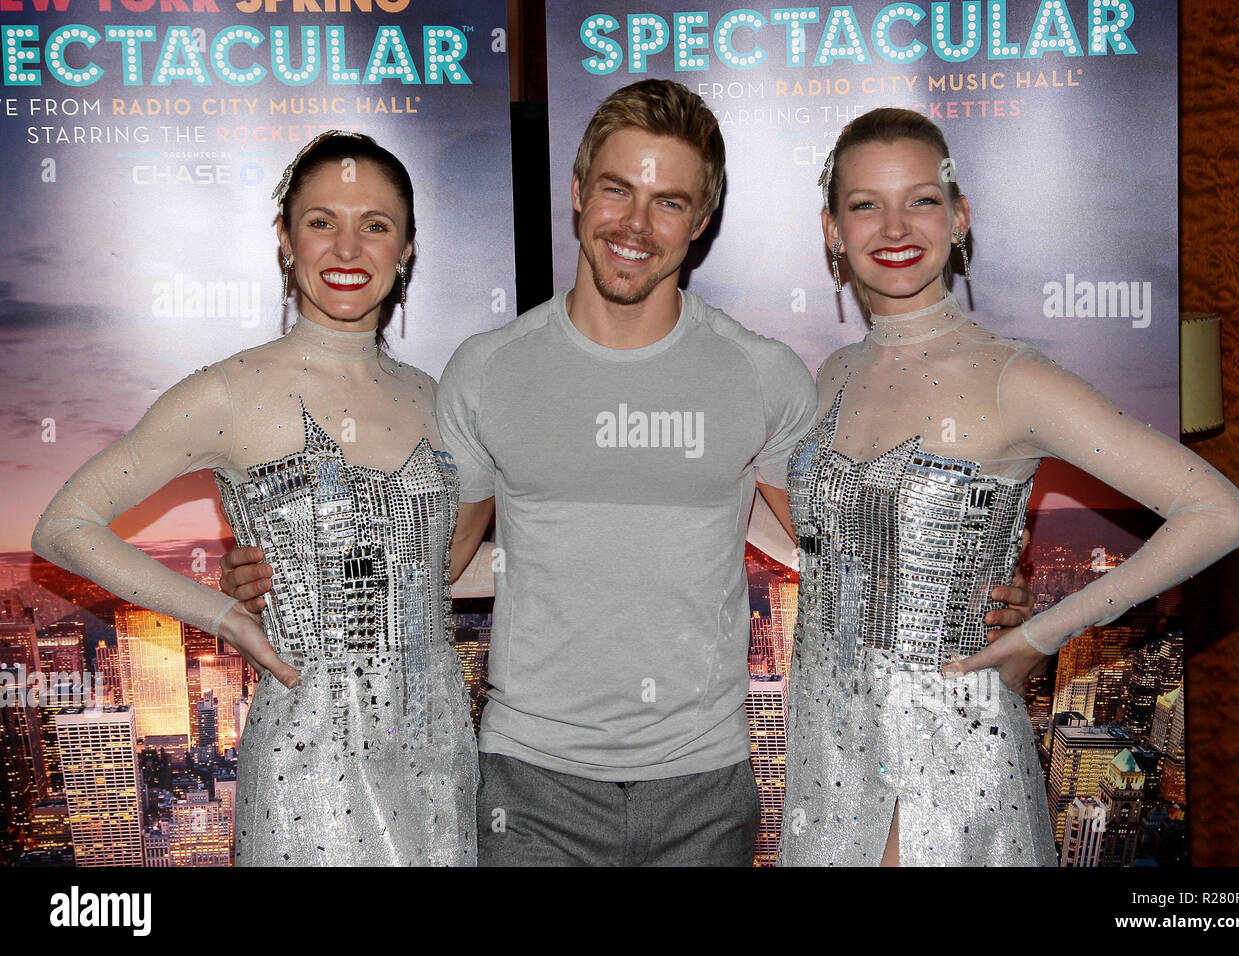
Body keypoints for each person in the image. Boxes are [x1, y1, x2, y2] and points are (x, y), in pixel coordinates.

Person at [222, 81, 1032, 866]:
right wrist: (298, 570)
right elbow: (436, 563)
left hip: (704, 786)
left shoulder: (763, 376)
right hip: (529, 783)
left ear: (701, 220)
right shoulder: (487, 371)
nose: (635, 224)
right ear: (577, 191)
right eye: (616, 190)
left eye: (668, 202)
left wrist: (968, 593)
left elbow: (843, 549)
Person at [778, 109, 1239, 867]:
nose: (894, 224)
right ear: (833, 231)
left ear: (959, 217)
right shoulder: (833, 370)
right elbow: (824, 543)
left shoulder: (1013, 376)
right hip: (823, 747)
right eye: (865, 203)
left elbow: (1218, 511)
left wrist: (1039, 635)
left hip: (945, 759)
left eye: (922, 199)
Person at [31, 131, 485, 866]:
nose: (347, 247)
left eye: (375, 225)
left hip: (438, 750)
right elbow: (64, 526)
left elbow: (442, 571)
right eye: (320, 221)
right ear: (285, 238)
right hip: (308, 755)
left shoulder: (440, 400)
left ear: (405, 249)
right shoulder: (230, 390)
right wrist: (225, 619)